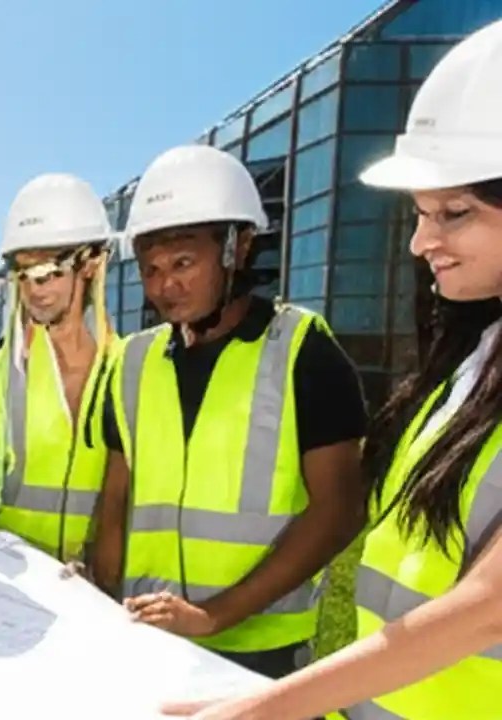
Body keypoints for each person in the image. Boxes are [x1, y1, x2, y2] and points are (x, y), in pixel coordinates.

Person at [163, 19, 502, 720]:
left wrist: (262, 708)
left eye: (454, 212)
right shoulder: (468, 365)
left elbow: (488, 608)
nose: (420, 242)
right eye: (419, 213)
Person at [91, 143, 368, 680]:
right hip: (146, 636)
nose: (165, 286)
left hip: (261, 652)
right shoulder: (132, 360)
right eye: (150, 269)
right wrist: (102, 593)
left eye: (183, 263)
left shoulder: (303, 349)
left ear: (237, 248)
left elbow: (339, 509)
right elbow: (116, 495)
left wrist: (214, 616)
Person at [0, 173, 119, 564]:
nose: (33, 290)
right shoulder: (0, 380)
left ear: (91, 264)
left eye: (48, 272)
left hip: (102, 592)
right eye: (22, 274)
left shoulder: (129, 370)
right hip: (12, 588)